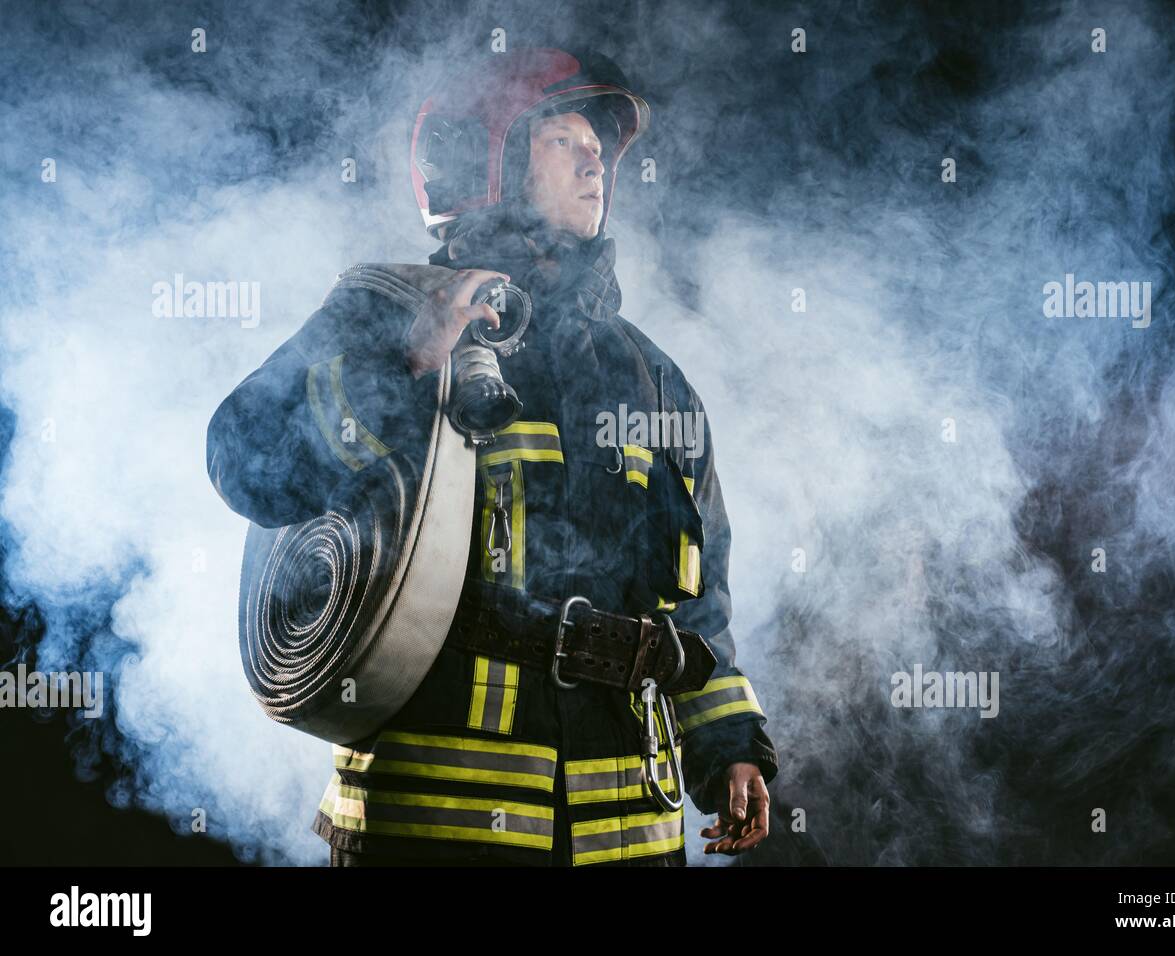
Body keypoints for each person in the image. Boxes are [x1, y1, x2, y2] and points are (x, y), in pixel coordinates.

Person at [206, 47, 778, 866]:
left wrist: (729, 746)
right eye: (561, 141)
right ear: (490, 160)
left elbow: (696, 595)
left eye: (599, 148)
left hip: (630, 841)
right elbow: (243, 457)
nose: (594, 163)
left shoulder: (649, 377)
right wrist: (403, 363)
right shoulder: (391, 314)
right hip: (437, 832)